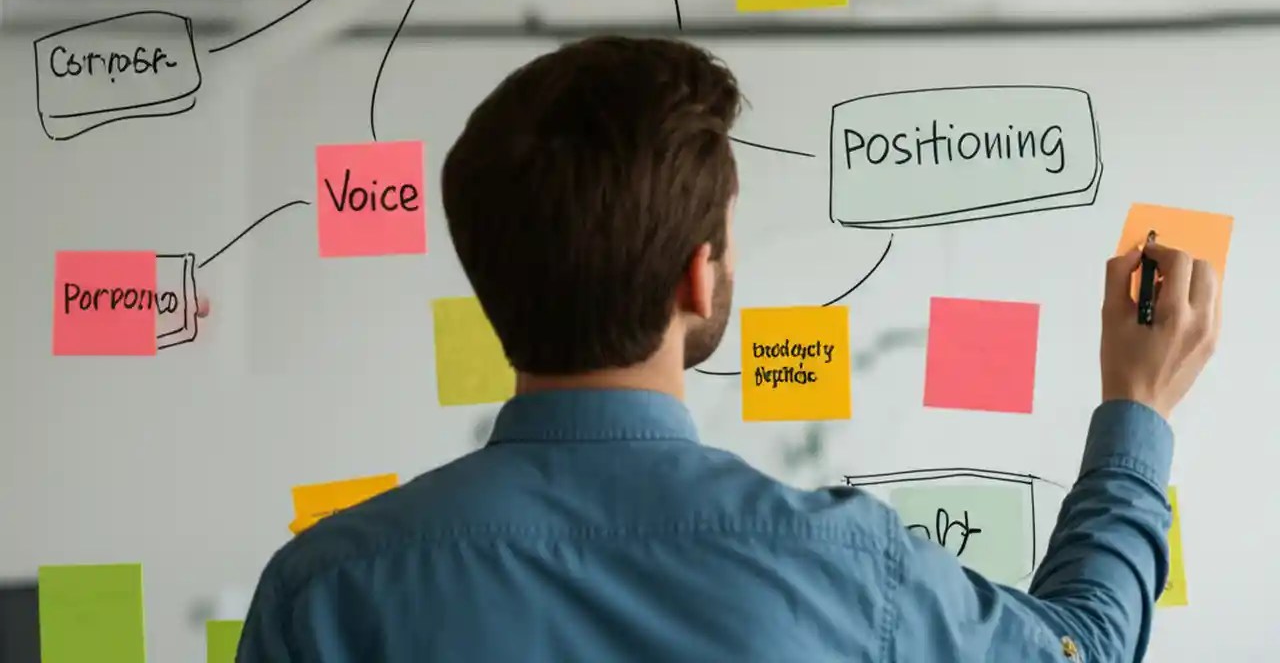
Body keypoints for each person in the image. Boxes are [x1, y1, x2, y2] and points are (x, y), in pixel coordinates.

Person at [237, 37, 1220, 662]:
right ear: (696, 279)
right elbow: (1079, 650)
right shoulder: (841, 568)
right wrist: (1136, 411)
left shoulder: (325, 591)